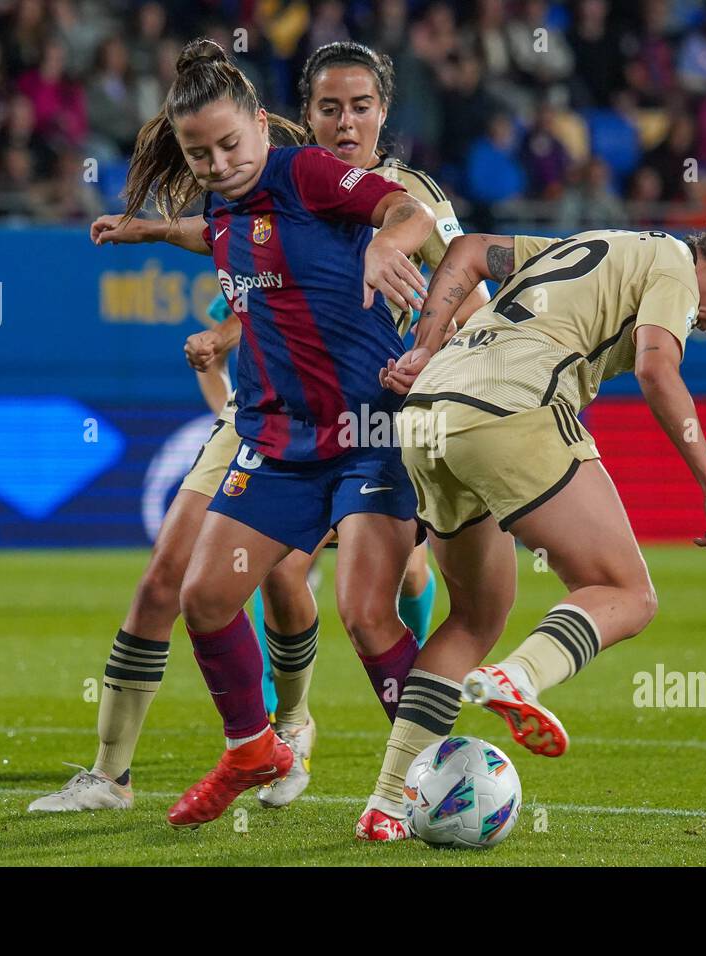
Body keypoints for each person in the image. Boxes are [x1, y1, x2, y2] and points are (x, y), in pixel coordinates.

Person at [356, 225, 706, 839]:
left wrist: (426, 348)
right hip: (514, 406)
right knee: (627, 593)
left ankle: (386, 804)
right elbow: (656, 370)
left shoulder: (600, 242)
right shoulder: (676, 263)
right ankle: (524, 676)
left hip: (431, 413)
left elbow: (467, 252)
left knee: (475, 617)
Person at [105, 38, 437, 830]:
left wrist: (391, 240)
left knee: (367, 613)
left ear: (263, 124)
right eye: (200, 153)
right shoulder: (223, 200)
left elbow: (408, 210)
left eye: (229, 144)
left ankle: (429, 776)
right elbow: (213, 232)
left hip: (366, 431)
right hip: (278, 441)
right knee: (204, 598)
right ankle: (254, 746)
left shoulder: (308, 172)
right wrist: (152, 231)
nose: (218, 163)